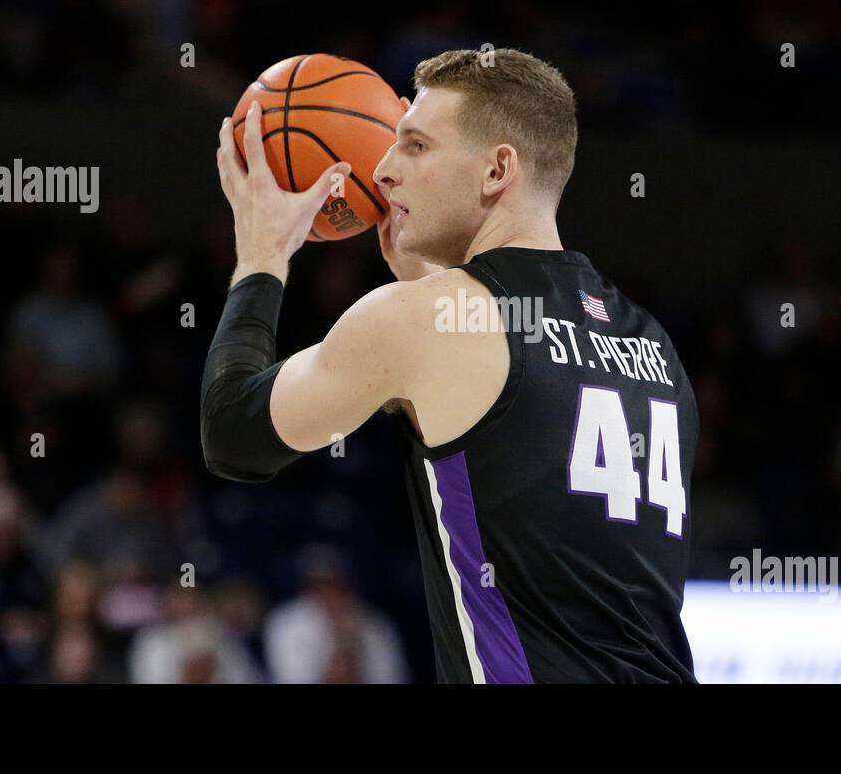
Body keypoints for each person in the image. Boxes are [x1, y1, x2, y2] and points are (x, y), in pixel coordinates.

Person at [202, 49, 698, 683]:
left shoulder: (428, 320)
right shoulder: (652, 345)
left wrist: (262, 255)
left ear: (496, 170)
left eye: (413, 145)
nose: (380, 170)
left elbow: (232, 435)